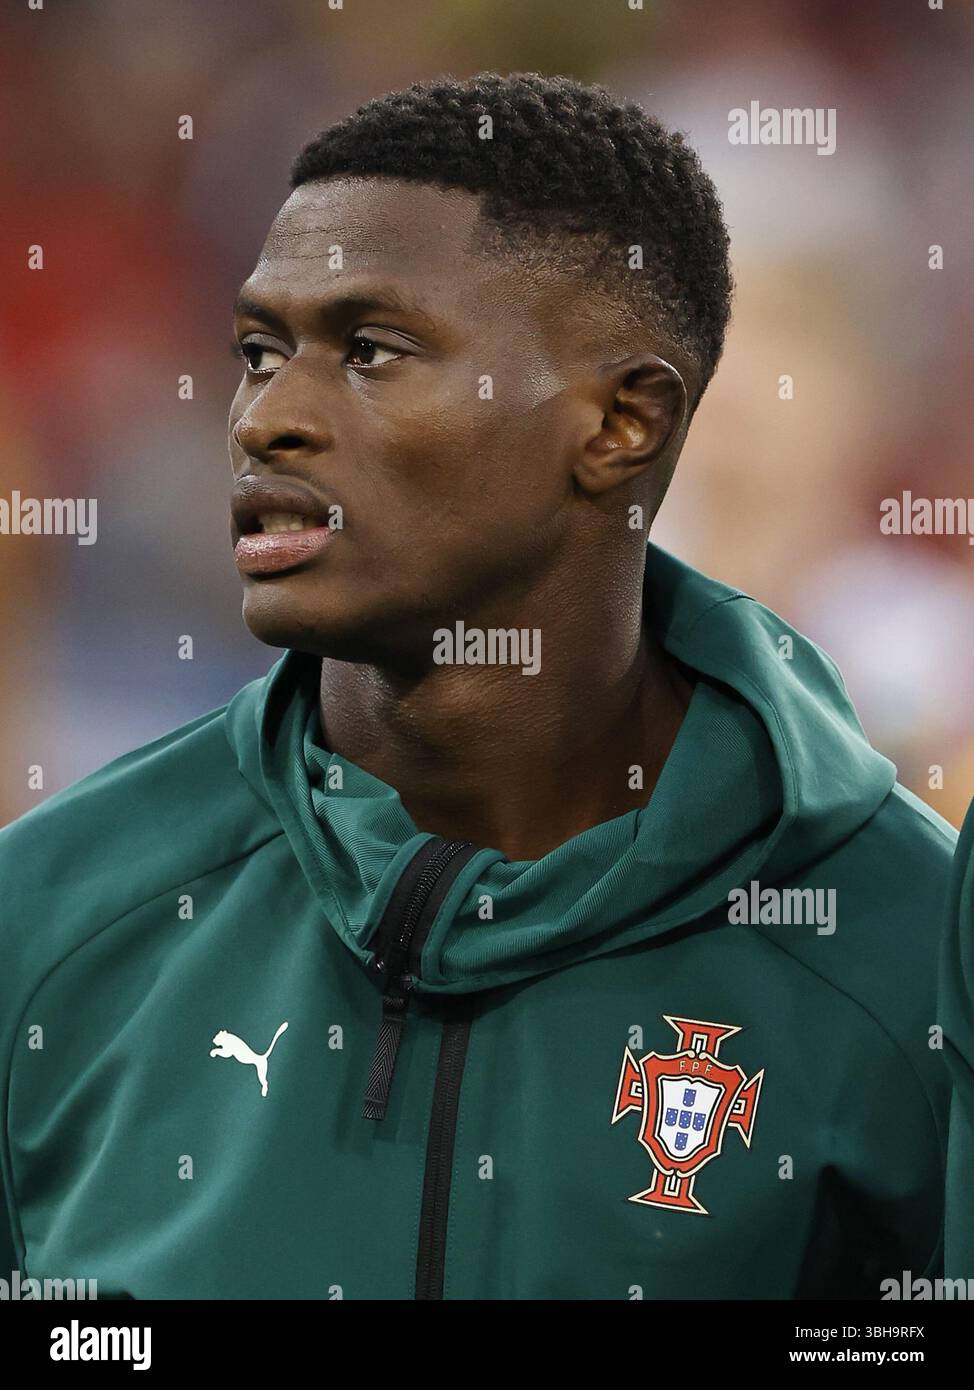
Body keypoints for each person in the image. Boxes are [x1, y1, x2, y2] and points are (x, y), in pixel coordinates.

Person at [0, 71, 958, 1300]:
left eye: (371, 349)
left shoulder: (907, 959)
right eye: (257, 351)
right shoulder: (53, 919)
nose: (261, 420)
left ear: (622, 421)